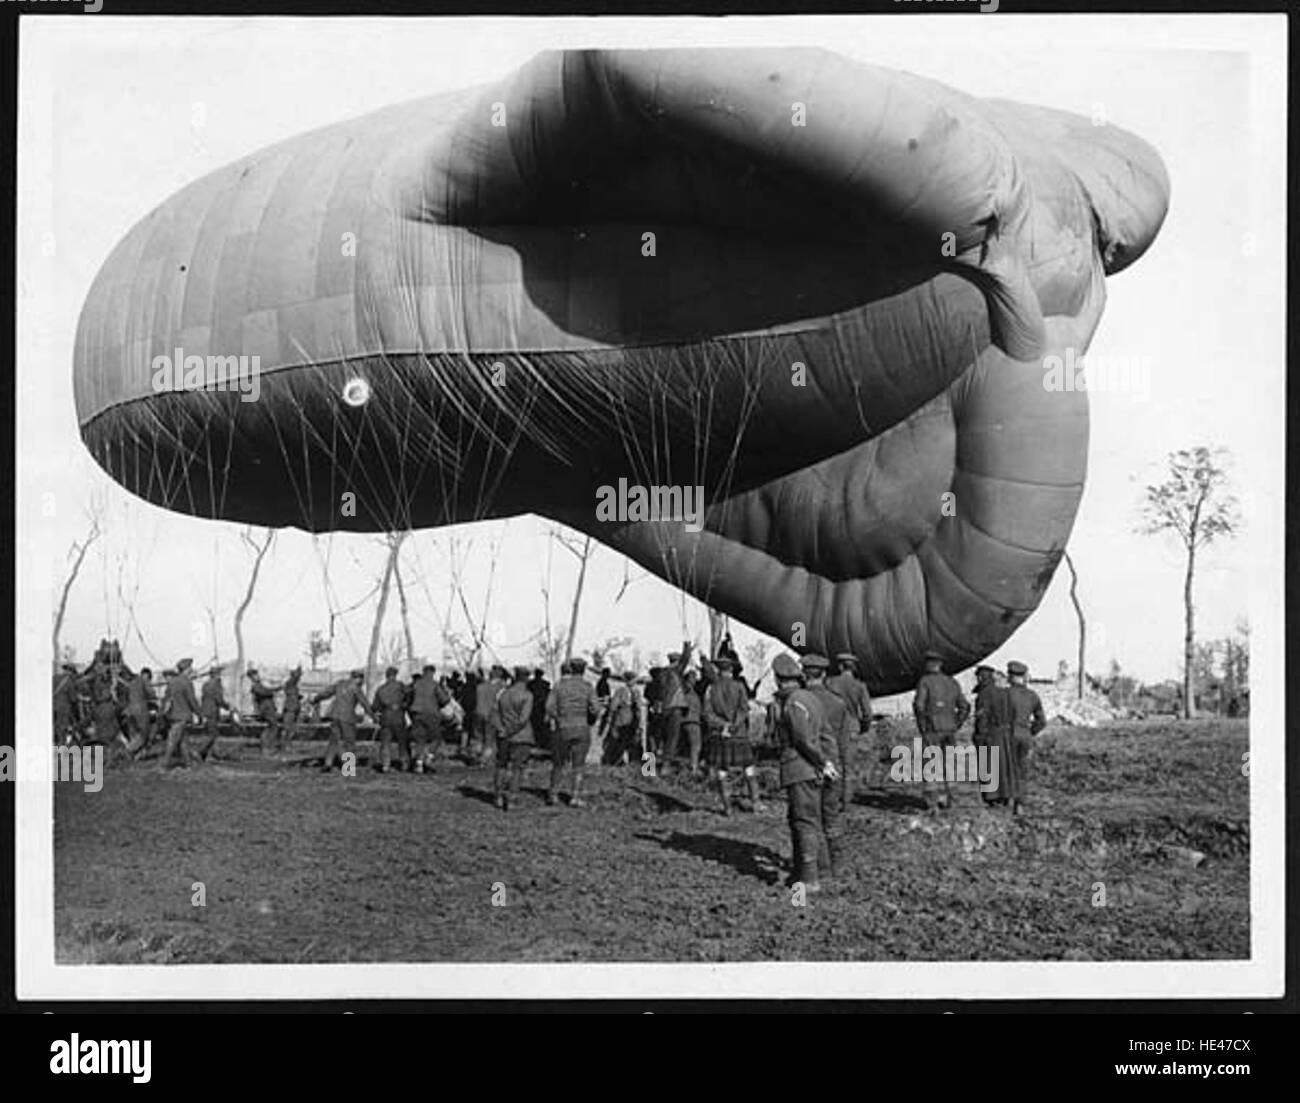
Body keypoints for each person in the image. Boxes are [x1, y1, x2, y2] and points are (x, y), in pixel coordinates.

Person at [771, 654, 838, 892]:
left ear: (779, 679)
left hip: (801, 768)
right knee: (811, 820)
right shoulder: (810, 699)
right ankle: (822, 871)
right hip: (812, 768)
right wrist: (827, 763)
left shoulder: (794, 703)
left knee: (803, 821)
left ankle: (809, 880)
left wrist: (821, 761)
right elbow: (825, 736)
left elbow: (803, 739)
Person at [801, 653, 852, 877]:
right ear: (824, 674)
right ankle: (838, 865)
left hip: (805, 767)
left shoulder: (797, 700)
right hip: (832, 766)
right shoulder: (838, 703)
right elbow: (843, 743)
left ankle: (819, 868)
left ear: (804, 674)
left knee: (810, 819)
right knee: (831, 816)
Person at [912, 650, 971, 812]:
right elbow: (965, 706)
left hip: (932, 729)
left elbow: (918, 705)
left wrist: (923, 726)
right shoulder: (952, 682)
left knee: (930, 765)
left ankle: (932, 804)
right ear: (940, 665)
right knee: (950, 765)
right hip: (949, 730)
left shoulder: (925, 681)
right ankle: (952, 801)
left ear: (929, 664)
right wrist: (956, 723)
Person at [703, 656, 762, 814]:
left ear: (718, 670)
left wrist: (724, 725)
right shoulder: (739, 686)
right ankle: (756, 804)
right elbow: (744, 709)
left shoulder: (711, 689)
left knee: (722, 770)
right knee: (748, 767)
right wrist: (735, 725)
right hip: (739, 734)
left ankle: (727, 807)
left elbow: (707, 713)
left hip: (720, 734)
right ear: (731, 670)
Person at [546, 657, 600, 807]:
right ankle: (575, 797)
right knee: (578, 765)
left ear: (570, 669)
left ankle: (553, 794)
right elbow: (596, 708)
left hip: (563, 728)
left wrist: (559, 718)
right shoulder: (588, 687)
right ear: (583, 670)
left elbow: (549, 707)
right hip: (582, 728)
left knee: (558, 763)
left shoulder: (559, 686)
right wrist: (591, 720)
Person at [1004, 660, 1047, 815]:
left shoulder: (1004, 694)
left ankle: (1007, 800)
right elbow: (1041, 721)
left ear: (1010, 677)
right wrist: (1030, 733)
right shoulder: (1032, 696)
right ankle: (1019, 804)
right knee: (1022, 770)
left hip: (1008, 736)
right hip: (1025, 736)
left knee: (1007, 769)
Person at [314, 670, 375, 773]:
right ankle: (348, 767)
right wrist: (373, 716)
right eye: (361, 679)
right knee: (349, 742)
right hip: (348, 718)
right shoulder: (356, 688)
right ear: (358, 679)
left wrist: (316, 699)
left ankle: (328, 763)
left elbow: (326, 693)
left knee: (334, 741)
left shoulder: (339, 684)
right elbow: (364, 704)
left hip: (335, 716)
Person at [827, 651, 873, 787]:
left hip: (832, 726)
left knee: (833, 764)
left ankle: (831, 801)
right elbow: (867, 713)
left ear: (840, 667)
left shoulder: (830, 683)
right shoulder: (860, 686)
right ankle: (846, 804)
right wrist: (863, 728)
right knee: (848, 767)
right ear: (853, 668)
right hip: (852, 727)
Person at [494, 666, 536, 811]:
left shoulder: (503, 694)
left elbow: (495, 714)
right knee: (517, 768)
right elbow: (523, 720)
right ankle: (512, 799)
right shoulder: (527, 695)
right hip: (520, 736)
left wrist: (502, 730)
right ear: (526, 679)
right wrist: (509, 731)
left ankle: (498, 796)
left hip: (503, 736)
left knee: (501, 766)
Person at [409, 664, 449, 773]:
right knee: (436, 738)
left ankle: (419, 764)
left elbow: (409, 698)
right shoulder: (434, 685)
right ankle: (429, 757)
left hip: (417, 714)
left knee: (420, 740)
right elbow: (444, 700)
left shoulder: (416, 684)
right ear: (432, 673)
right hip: (432, 715)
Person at [658, 644, 693, 769]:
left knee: (661, 738)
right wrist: (687, 647)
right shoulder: (675, 671)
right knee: (673, 737)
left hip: (664, 708)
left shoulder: (662, 673)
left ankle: (648, 769)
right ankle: (665, 767)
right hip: (675, 707)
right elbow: (686, 659)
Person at [162, 658, 201, 768]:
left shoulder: (172, 682)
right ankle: (164, 766)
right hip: (183, 716)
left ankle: (188, 765)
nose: (192, 670)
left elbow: (167, 699)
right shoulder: (187, 682)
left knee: (183, 742)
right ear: (187, 669)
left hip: (173, 715)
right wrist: (199, 714)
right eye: (190, 668)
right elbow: (192, 700)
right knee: (172, 741)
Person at [372, 666, 409, 772]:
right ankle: (404, 763)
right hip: (399, 718)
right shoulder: (401, 686)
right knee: (402, 742)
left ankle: (385, 764)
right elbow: (410, 697)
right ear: (395, 675)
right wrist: (403, 705)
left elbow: (375, 706)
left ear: (386, 676)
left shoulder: (381, 689)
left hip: (386, 718)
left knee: (385, 743)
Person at [602, 670, 640, 766]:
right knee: (630, 743)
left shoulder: (621, 691)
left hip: (622, 719)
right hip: (632, 720)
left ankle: (617, 762)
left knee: (619, 742)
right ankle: (630, 763)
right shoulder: (636, 691)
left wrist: (610, 718)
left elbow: (613, 706)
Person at [197, 666, 230, 762]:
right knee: (212, 735)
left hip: (205, 711)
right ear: (216, 674)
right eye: (219, 674)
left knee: (212, 733)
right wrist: (228, 707)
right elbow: (218, 699)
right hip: (212, 712)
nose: (220, 676)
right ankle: (200, 752)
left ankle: (213, 755)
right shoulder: (216, 684)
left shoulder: (206, 684)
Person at [247, 669, 282, 756]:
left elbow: (267, 690)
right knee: (272, 727)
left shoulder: (258, 685)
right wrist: (275, 690)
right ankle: (266, 748)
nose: (257, 676)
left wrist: (277, 688)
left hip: (268, 709)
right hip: (266, 709)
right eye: (255, 675)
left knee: (272, 727)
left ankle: (267, 748)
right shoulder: (255, 686)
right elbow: (264, 692)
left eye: (257, 675)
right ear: (251, 677)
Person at [681, 669, 704, 777]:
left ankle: (691, 767)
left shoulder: (692, 691)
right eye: (692, 678)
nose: (695, 680)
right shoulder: (687, 691)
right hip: (691, 721)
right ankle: (693, 769)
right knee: (696, 746)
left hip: (692, 720)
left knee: (693, 746)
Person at [52, 663, 80, 745]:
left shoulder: (54, 678)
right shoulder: (69, 681)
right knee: (62, 727)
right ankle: (61, 746)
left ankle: (54, 741)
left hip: (53, 706)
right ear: (71, 672)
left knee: (54, 725)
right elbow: (73, 698)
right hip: (63, 708)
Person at [526, 667, 551, 748]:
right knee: (543, 727)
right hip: (543, 708)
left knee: (534, 726)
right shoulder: (546, 685)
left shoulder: (530, 684)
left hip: (533, 708)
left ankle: (535, 743)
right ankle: (543, 743)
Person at [281, 667, 303, 748]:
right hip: (290, 709)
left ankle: (288, 745)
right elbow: (295, 678)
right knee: (287, 728)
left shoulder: (294, 686)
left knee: (292, 729)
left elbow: (294, 695)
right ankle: (284, 746)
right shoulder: (290, 683)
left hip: (295, 708)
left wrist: (299, 697)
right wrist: (299, 670)